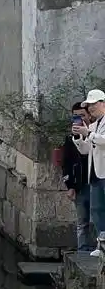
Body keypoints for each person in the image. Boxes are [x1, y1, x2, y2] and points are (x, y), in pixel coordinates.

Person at [72, 88, 105, 254]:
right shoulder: (93, 124)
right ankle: (102, 244)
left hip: (104, 173)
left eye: (93, 104)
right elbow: (86, 150)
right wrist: (79, 137)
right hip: (94, 172)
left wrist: (89, 133)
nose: (90, 108)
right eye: (89, 105)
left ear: (102, 103)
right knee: (96, 210)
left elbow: (103, 141)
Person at [63, 101, 94, 251]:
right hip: (80, 184)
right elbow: (66, 162)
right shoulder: (71, 138)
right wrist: (69, 186)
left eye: (82, 115)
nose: (80, 119)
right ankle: (82, 250)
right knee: (82, 221)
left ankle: (98, 249)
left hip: (96, 181)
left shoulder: (96, 133)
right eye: (75, 116)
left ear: (89, 115)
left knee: (99, 217)